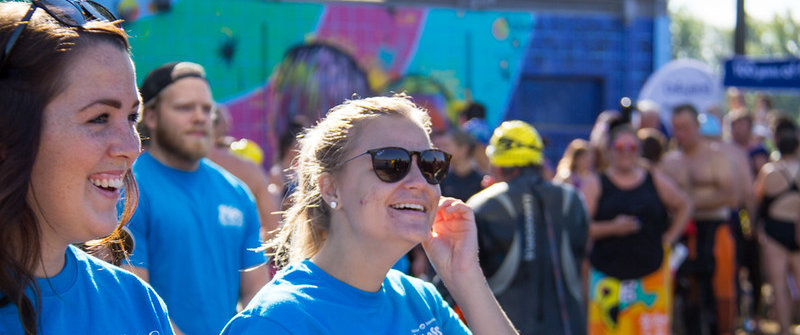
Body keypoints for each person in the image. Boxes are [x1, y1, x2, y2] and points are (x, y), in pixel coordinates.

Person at [221, 95, 518, 334]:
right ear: (331, 189)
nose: (419, 181)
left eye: (431, 164)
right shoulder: (278, 322)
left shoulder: (420, 301)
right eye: (392, 163)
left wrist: (464, 274)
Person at [0, 2, 173, 334]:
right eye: (99, 118)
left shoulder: (138, 305)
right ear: (8, 131)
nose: (132, 147)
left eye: (132, 118)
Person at [125, 61, 268, 335]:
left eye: (206, 109)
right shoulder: (128, 189)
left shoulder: (237, 193)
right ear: (151, 117)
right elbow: (136, 302)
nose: (200, 117)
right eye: (185, 108)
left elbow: (256, 299)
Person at [467, 120, 589, 335]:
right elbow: (584, 262)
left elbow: (460, 275)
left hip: (504, 328)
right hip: (569, 326)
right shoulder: (572, 199)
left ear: (497, 162)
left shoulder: (483, 205)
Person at [585, 125, 691, 334]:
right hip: (607, 280)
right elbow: (581, 227)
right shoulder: (595, 183)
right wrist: (613, 228)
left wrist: (669, 238)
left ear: (639, 150)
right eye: (620, 146)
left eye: (632, 147)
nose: (626, 152)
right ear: (610, 150)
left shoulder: (653, 180)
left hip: (650, 279)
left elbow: (684, 204)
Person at [661, 104, 737, 335]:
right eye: (676, 128)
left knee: (717, 291)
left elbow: (728, 194)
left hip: (713, 228)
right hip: (681, 233)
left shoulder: (715, 156)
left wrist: (688, 204)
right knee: (685, 291)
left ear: (697, 126)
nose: (680, 133)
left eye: (685, 127)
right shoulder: (669, 161)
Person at [754, 117, 800, 335]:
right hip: (796, 227)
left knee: (779, 286)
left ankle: (784, 330)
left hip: (776, 231)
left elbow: (756, 198)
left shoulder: (769, 171)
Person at [208, 105, 281, 240]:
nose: (229, 129)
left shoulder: (170, 168)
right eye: (226, 124)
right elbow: (274, 231)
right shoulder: (248, 170)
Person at [432, 129, 484, 202]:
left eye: (446, 146)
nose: (440, 150)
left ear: (463, 149)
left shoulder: (482, 181)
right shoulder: (441, 180)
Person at [555, 138, 600, 215]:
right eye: (584, 158)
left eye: (589, 158)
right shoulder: (565, 176)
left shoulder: (593, 177)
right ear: (575, 159)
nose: (588, 161)